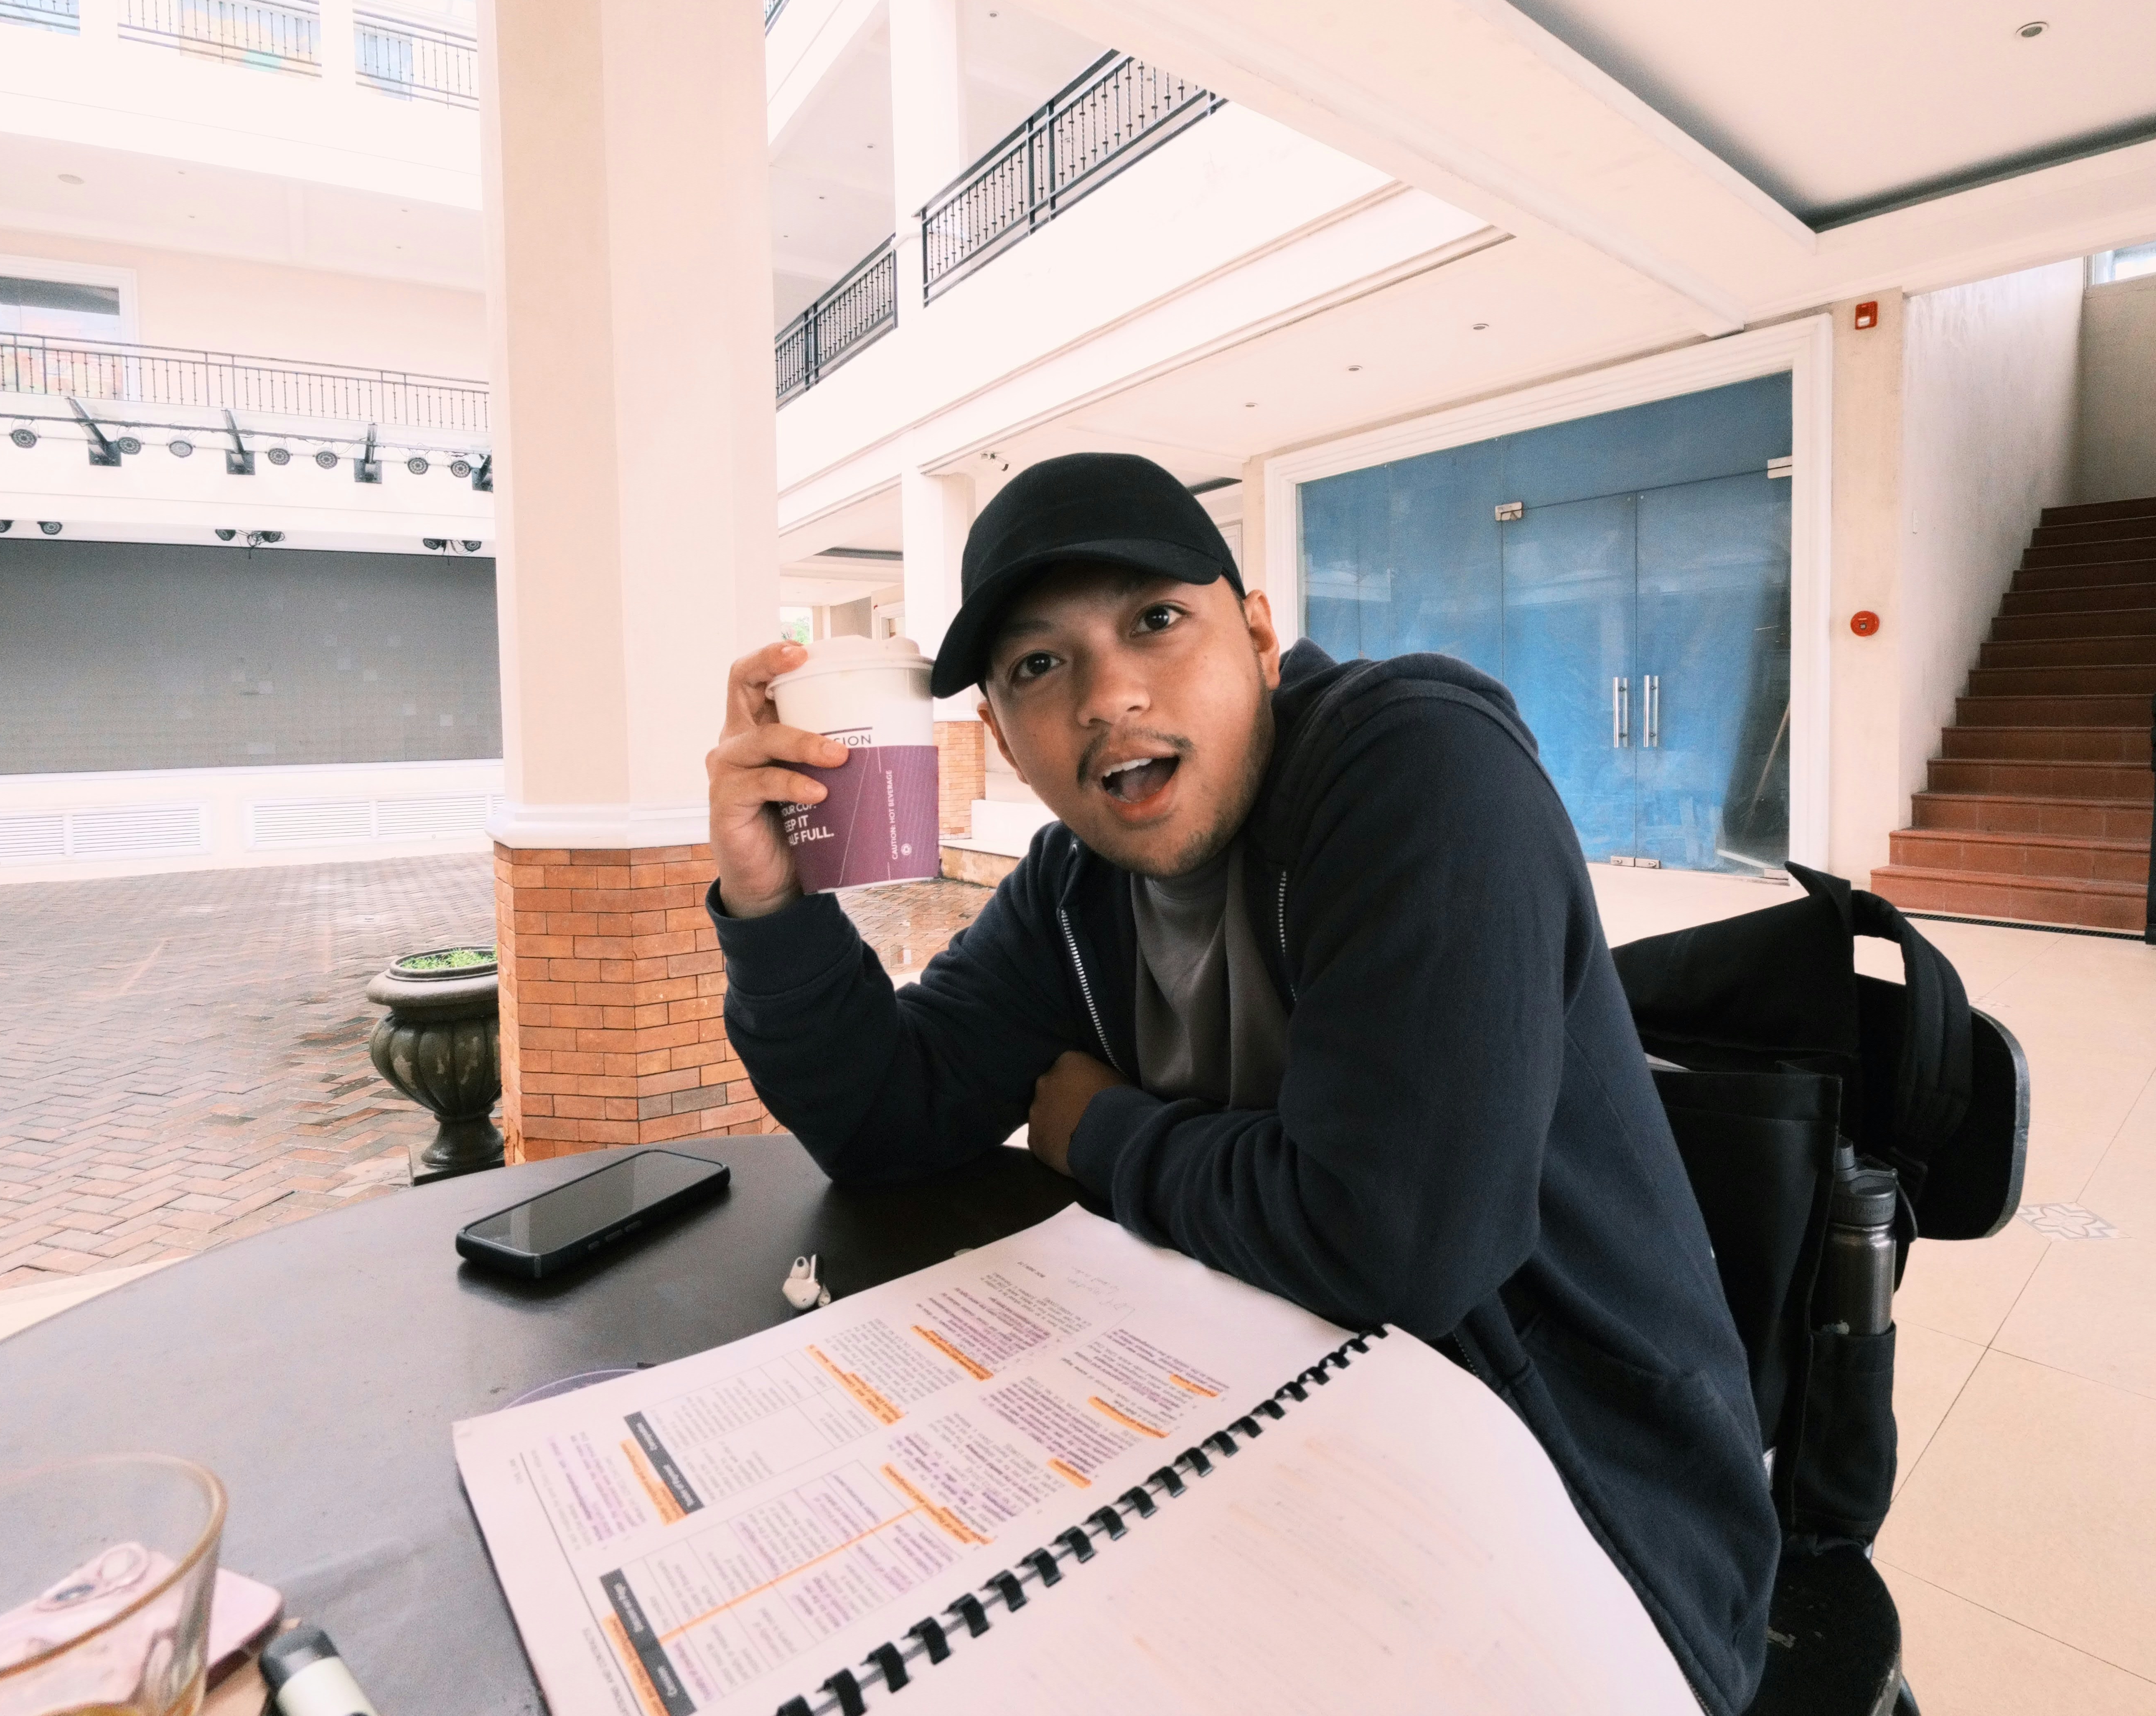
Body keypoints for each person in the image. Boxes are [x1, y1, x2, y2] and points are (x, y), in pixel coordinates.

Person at [703, 452, 1776, 1711]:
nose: (1110, 695)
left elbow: (1403, 1244)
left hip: (1582, 1517)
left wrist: (1103, 1133)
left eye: (1157, 621)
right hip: (1266, 1453)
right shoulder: (1074, 890)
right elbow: (888, 1118)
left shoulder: (1420, 769)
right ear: (998, 730)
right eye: (1040, 666)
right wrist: (768, 904)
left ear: (1258, 636)